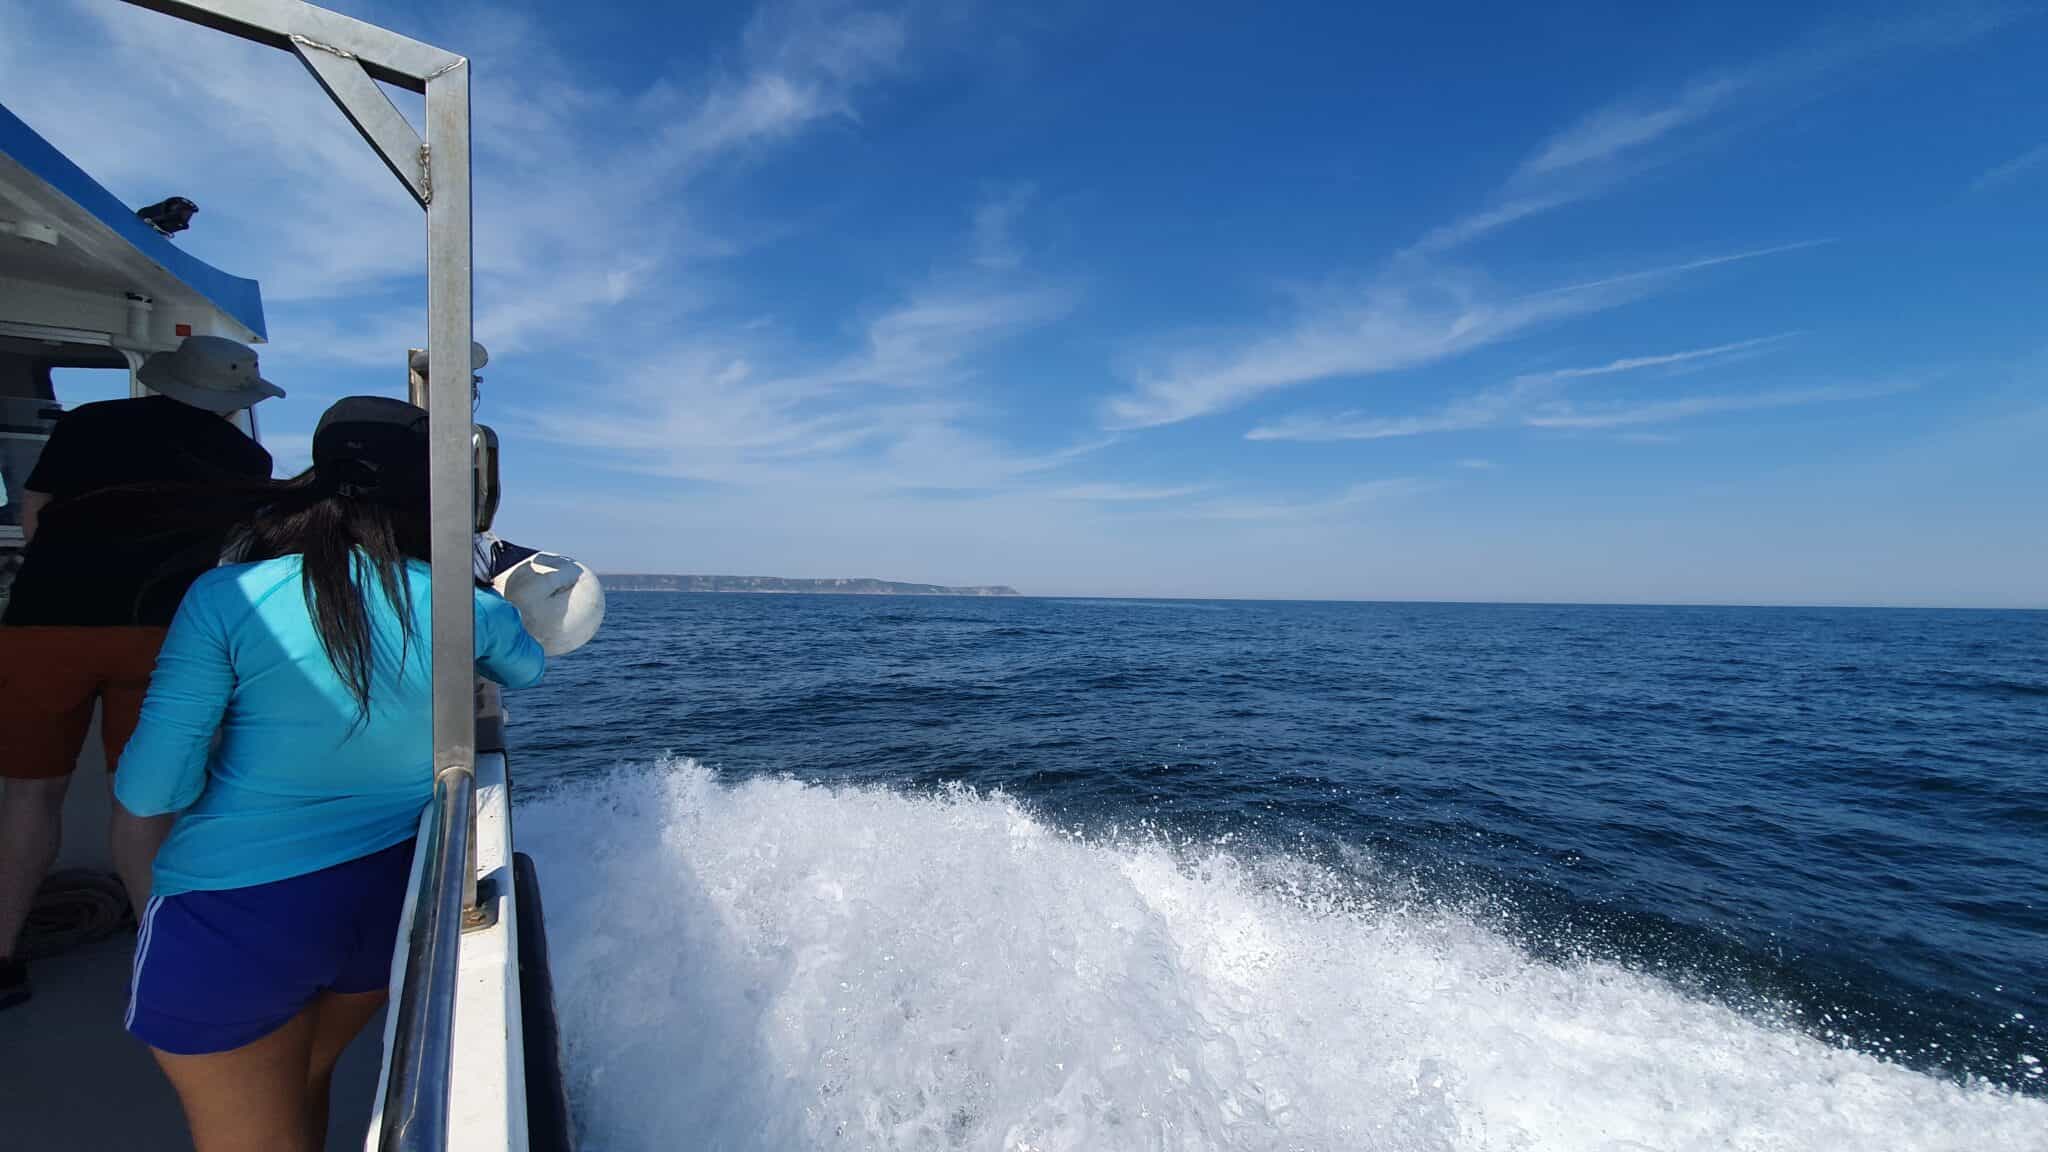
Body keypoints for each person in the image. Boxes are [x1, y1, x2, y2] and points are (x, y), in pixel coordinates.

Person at [115, 395, 544, 1152]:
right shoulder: (463, 607)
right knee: (304, 1084)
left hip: (234, 920)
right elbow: (529, 665)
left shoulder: (226, 596)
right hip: (384, 905)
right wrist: (483, 582)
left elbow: (152, 792)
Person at [0, 335, 279, 1010]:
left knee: (29, 796)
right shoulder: (248, 458)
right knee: (142, 799)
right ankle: (159, 955)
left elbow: (34, 515)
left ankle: (2, 956)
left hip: (46, 625)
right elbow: (233, 560)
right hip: (159, 638)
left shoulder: (89, 422)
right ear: (232, 400)